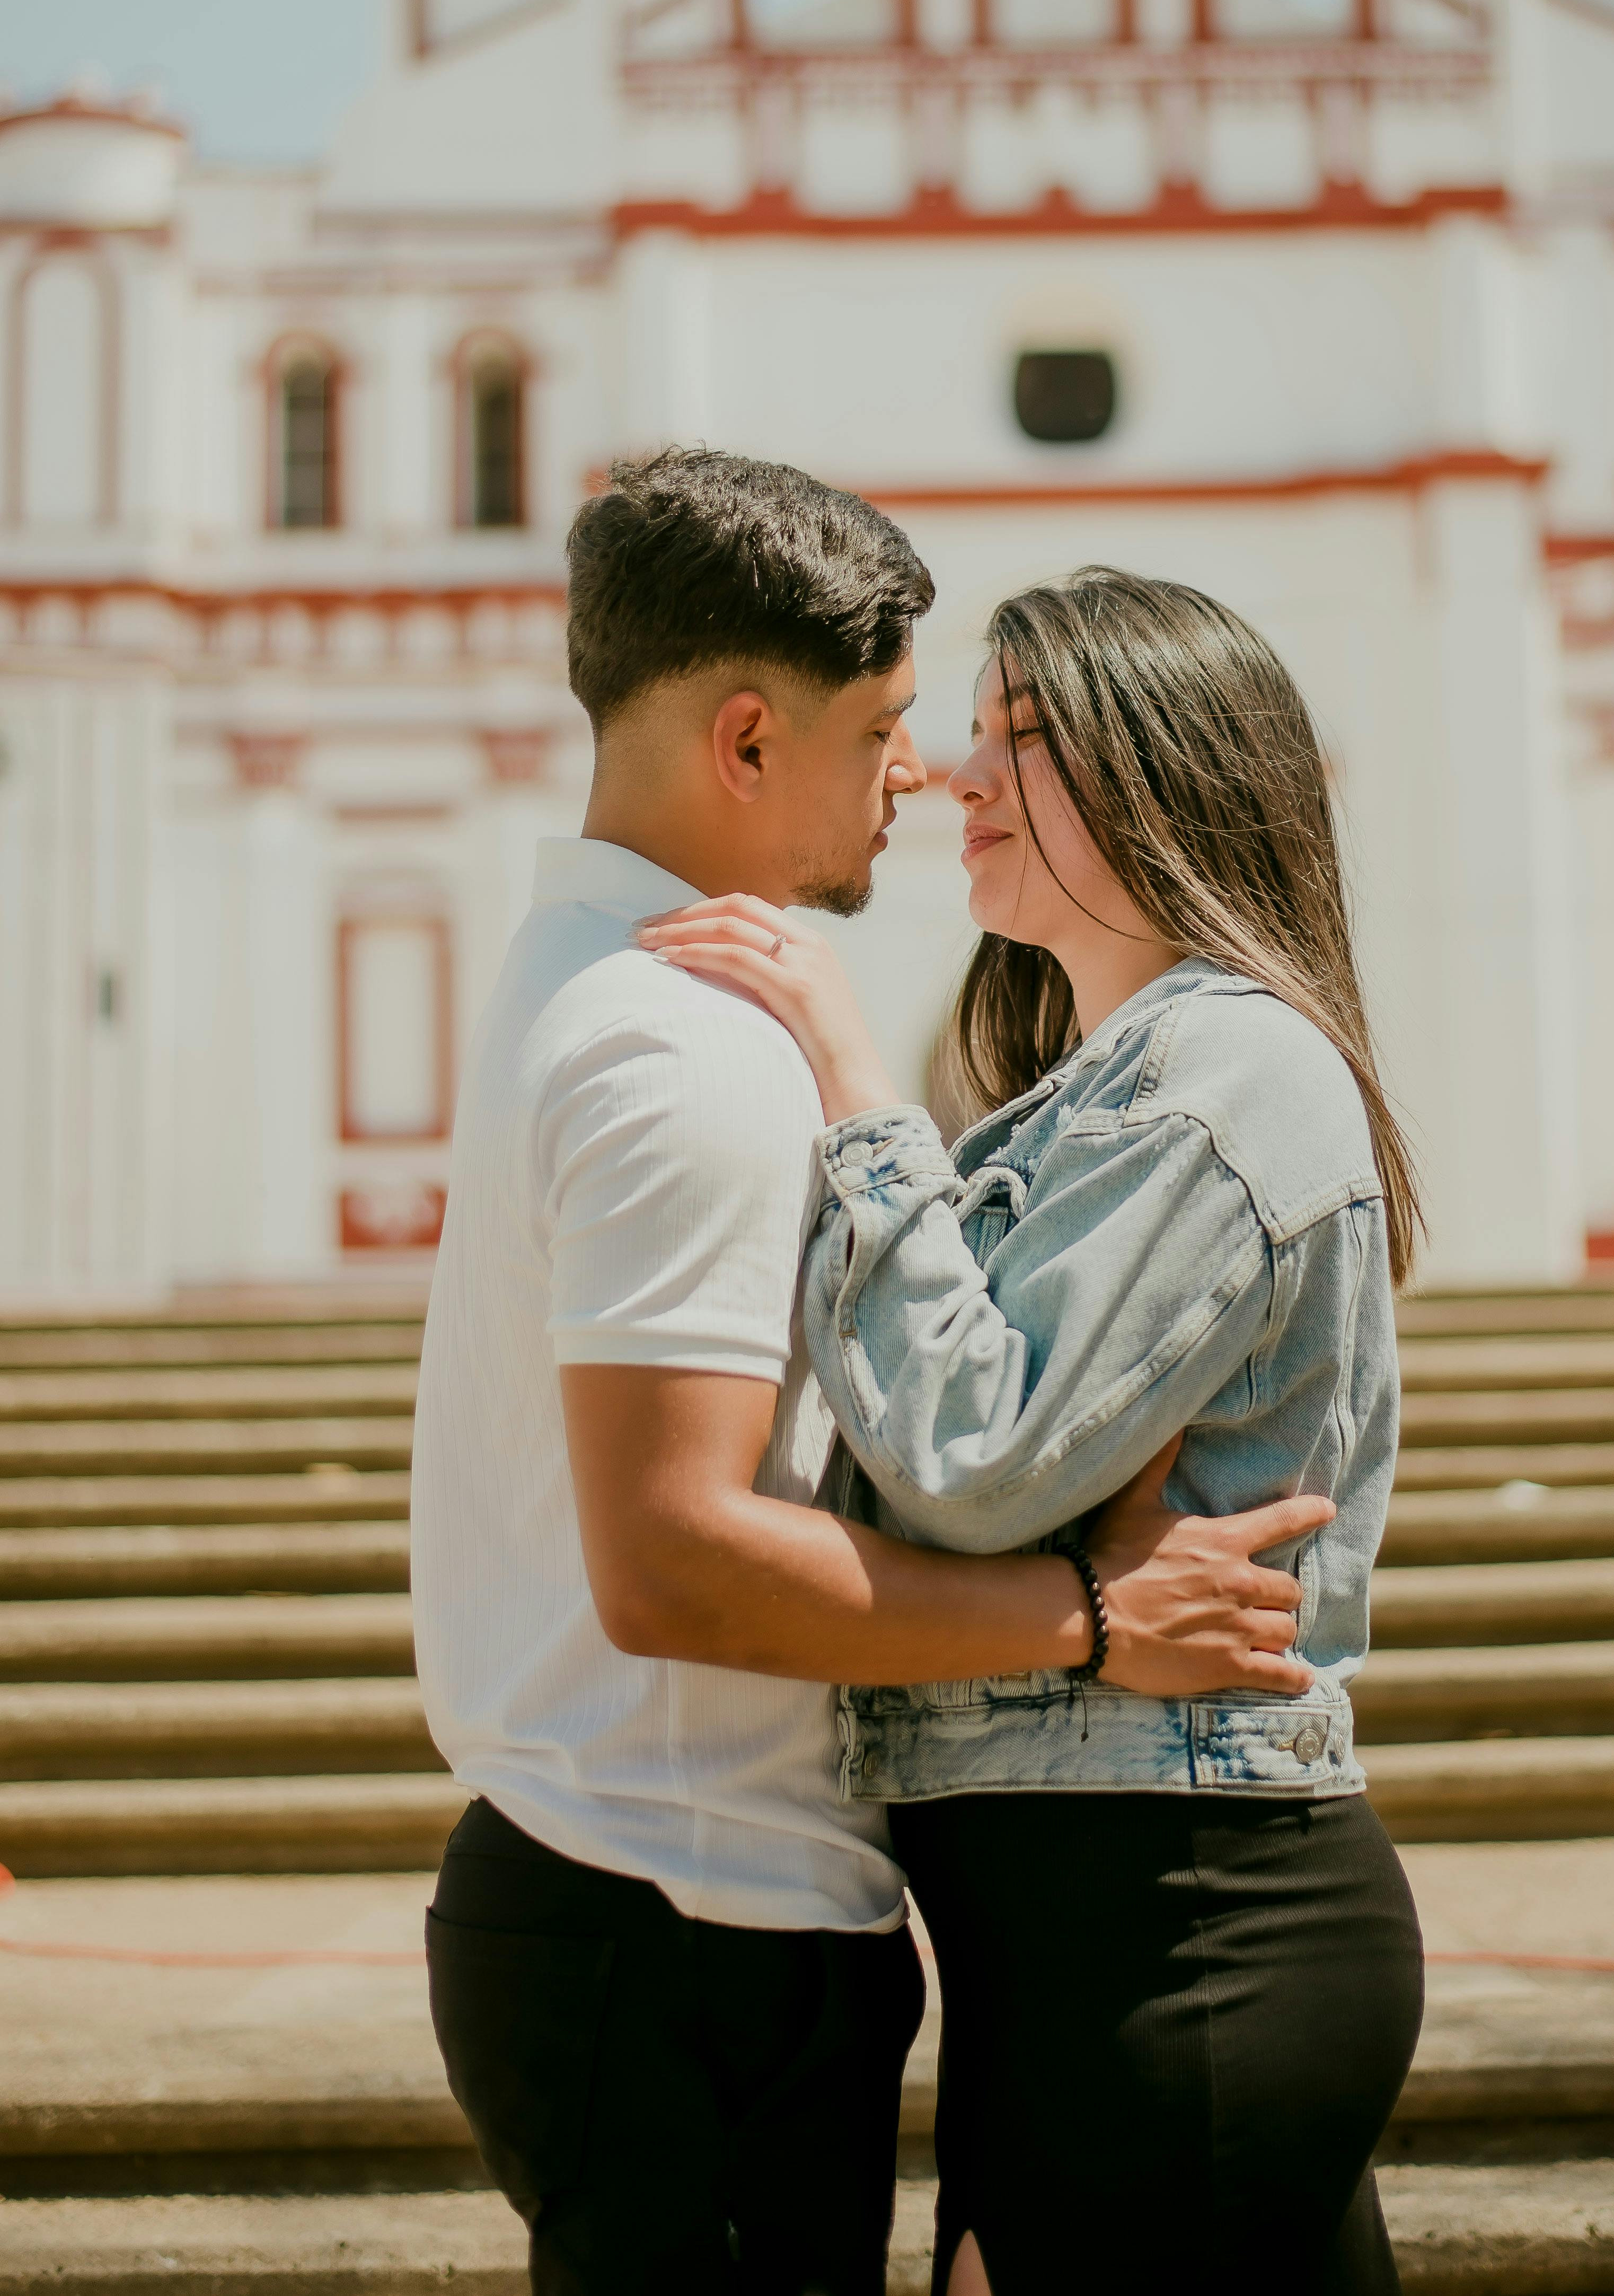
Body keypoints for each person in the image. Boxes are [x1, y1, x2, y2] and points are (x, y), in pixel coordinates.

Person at [411, 460, 1337, 2296]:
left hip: (651, 1890)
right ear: (746, 741)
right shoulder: (682, 1048)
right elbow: (672, 1556)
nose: (915, 774)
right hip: (683, 1914)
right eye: (888, 726)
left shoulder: (593, 975)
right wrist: (1083, 1613)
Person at [642, 565, 1427, 2296]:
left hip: (1179, 1919)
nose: (951, 777)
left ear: (1164, 762)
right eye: (969, 734)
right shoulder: (1104, 1083)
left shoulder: (1226, 1068)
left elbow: (972, 1457)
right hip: (1093, 1928)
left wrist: (856, 1091)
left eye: (1019, 739)